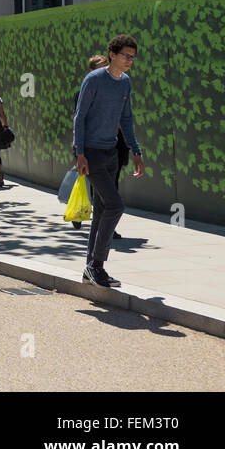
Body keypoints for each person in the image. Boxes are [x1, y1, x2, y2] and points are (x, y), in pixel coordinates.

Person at [74, 34, 147, 288]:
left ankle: (90, 270)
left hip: (111, 154)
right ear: (112, 55)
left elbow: (126, 120)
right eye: (126, 55)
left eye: (133, 57)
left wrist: (136, 151)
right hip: (91, 154)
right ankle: (96, 265)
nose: (130, 60)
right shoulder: (93, 80)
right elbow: (79, 117)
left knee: (102, 212)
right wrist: (79, 153)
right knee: (116, 206)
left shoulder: (124, 83)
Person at [69, 55, 126, 237]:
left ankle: (104, 227)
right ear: (91, 71)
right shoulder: (84, 91)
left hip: (112, 146)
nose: (105, 70)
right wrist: (80, 150)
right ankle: (102, 227)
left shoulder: (118, 86)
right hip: (90, 148)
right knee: (99, 189)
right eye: (100, 67)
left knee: (109, 187)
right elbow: (80, 120)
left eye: (106, 66)